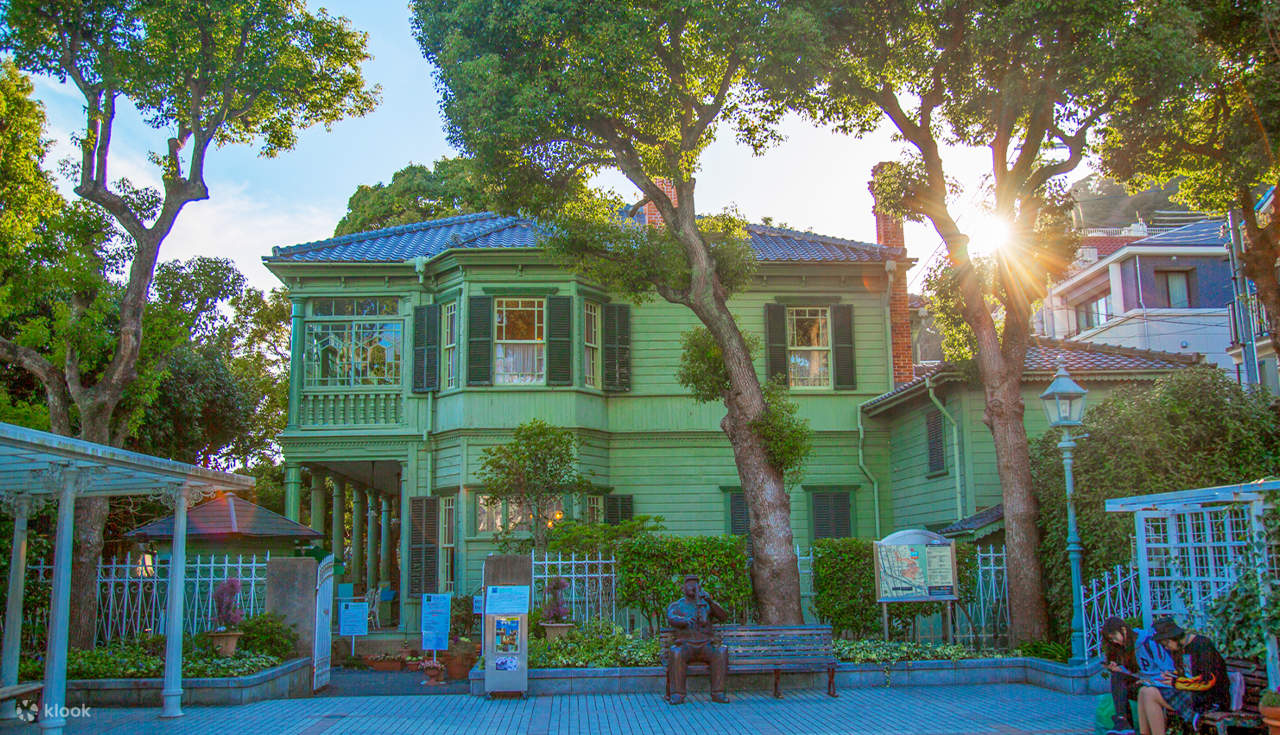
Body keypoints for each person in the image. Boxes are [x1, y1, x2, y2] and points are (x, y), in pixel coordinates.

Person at [1135, 618, 1229, 735]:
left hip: (1209, 698)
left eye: (1166, 643)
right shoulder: (1180, 649)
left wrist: (1176, 682)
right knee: (1143, 691)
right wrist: (1168, 678)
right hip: (1191, 692)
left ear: (1174, 638)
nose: (1166, 648)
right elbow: (1186, 673)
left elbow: (1208, 680)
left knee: (1150, 694)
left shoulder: (1202, 645)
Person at [1098, 617, 1174, 735]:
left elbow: (1168, 671)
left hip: (1158, 686)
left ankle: (1124, 723)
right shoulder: (1126, 647)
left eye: (1114, 637)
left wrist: (1148, 681)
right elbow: (1138, 672)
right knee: (1118, 676)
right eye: (1111, 639)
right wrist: (1120, 669)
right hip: (1143, 684)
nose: (1114, 641)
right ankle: (1123, 723)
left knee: (1141, 690)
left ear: (1123, 630)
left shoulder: (1149, 642)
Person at [665, 574, 730, 704]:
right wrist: (683, 621)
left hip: (706, 646)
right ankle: (678, 693)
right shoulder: (677, 605)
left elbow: (723, 616)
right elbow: (671, 617)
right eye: (689, 584)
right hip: (686, 646)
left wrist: (711, 602)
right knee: (676, 652)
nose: (693, 587)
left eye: (695, 584)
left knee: (721, 652)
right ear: (683, 588)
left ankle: (718, 692)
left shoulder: (706, 604)